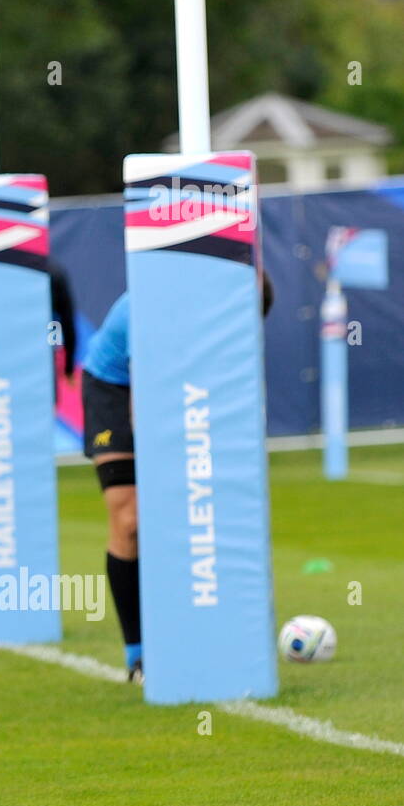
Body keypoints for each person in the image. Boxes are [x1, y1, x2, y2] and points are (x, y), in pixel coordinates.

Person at [81, 272, 274, 683]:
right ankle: (139, 655)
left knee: (194, 511)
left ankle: (203, 634)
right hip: (113, 390)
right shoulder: (151, 310)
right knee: (130, 519)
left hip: (174, 390)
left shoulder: (218, 322)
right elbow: (145, 398)